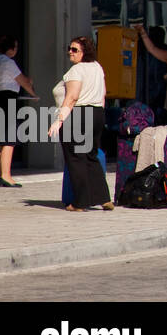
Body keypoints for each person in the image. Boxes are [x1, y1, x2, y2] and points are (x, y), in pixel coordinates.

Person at [48, 36, 114, 212]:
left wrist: (59, 120)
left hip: (79, 114)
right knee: (91, 155)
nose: (70, 52)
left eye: (75, 49)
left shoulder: (76, 71)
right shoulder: (97, 68)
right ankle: (104, 198)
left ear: (85, 52)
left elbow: (72, 97)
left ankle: (80, 202)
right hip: (97, 113)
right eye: (69, 48)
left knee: (76, 159)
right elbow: (104, 93)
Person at [0, 35, 38, 188]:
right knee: (9, 139)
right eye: (15, 47)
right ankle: (7, 175)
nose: (16, 50)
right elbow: (23, 81)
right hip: (7, 99)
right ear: (10, 49)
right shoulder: (8, 62)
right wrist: (33, 93)